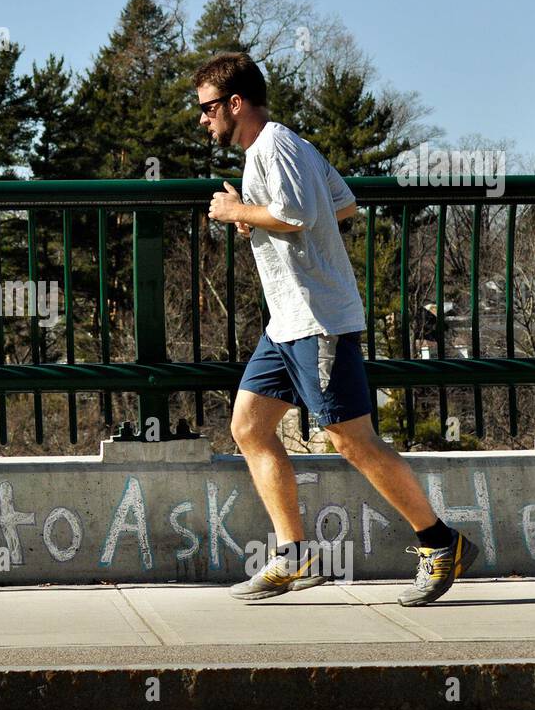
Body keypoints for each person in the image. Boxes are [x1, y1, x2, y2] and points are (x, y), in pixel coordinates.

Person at [195, 51, 477, 606]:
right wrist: (282, 228)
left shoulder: (273, 147)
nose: (203, 120)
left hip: (317, 320)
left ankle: (440, 543)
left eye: (207, 109)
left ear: (235, 103)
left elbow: (297, 215)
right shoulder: (287, 145)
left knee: (351, 439)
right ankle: (293, 555)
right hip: (287, 321)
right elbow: (343, 206)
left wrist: (236, 213)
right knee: (250, 427)